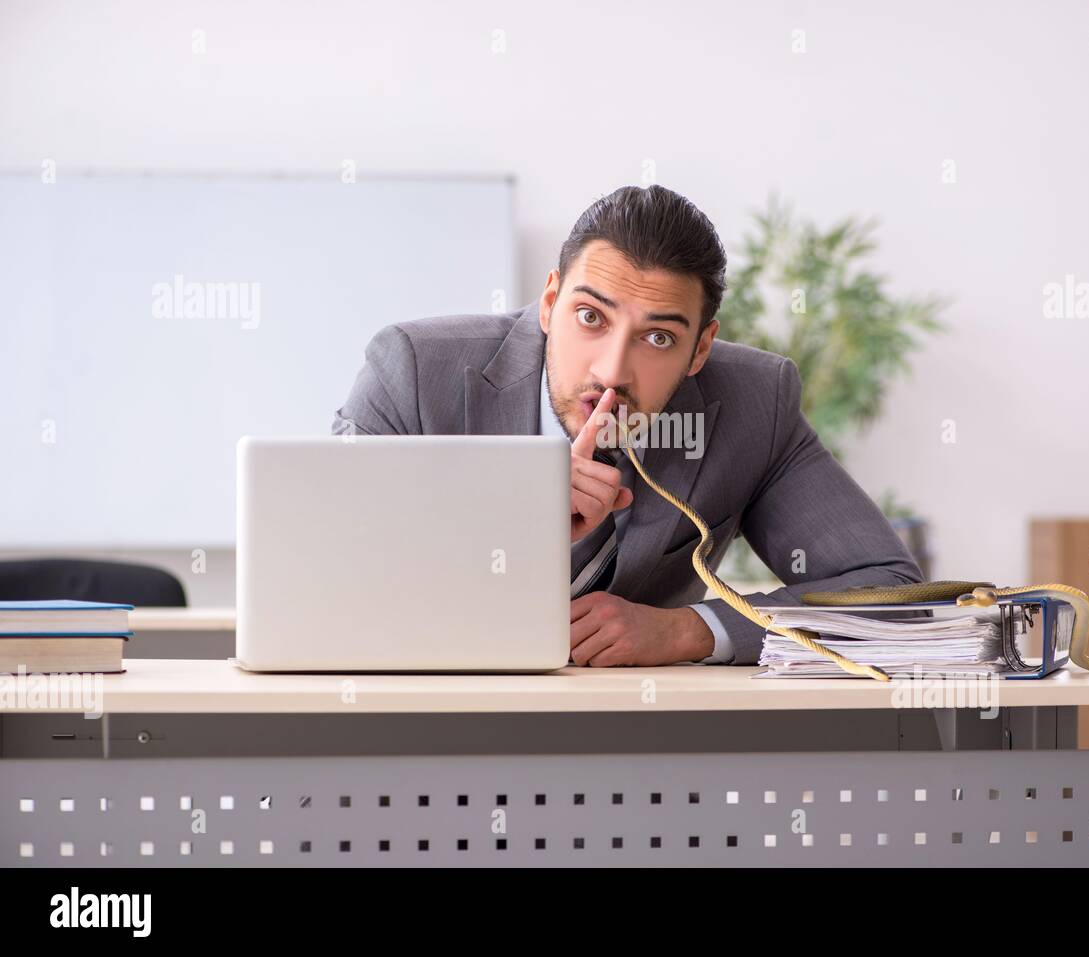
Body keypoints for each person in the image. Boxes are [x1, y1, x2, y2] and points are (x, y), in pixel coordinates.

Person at [333, 184, 921, 667]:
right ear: (548, 302)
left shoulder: (753, 402)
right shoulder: (412, 371)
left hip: (629, 753)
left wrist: (689, 630)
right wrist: (506, 521)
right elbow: (332, 580)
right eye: (590, 317)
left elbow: (889, 591)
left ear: (699, 349)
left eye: (658, 338)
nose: (613, 371)